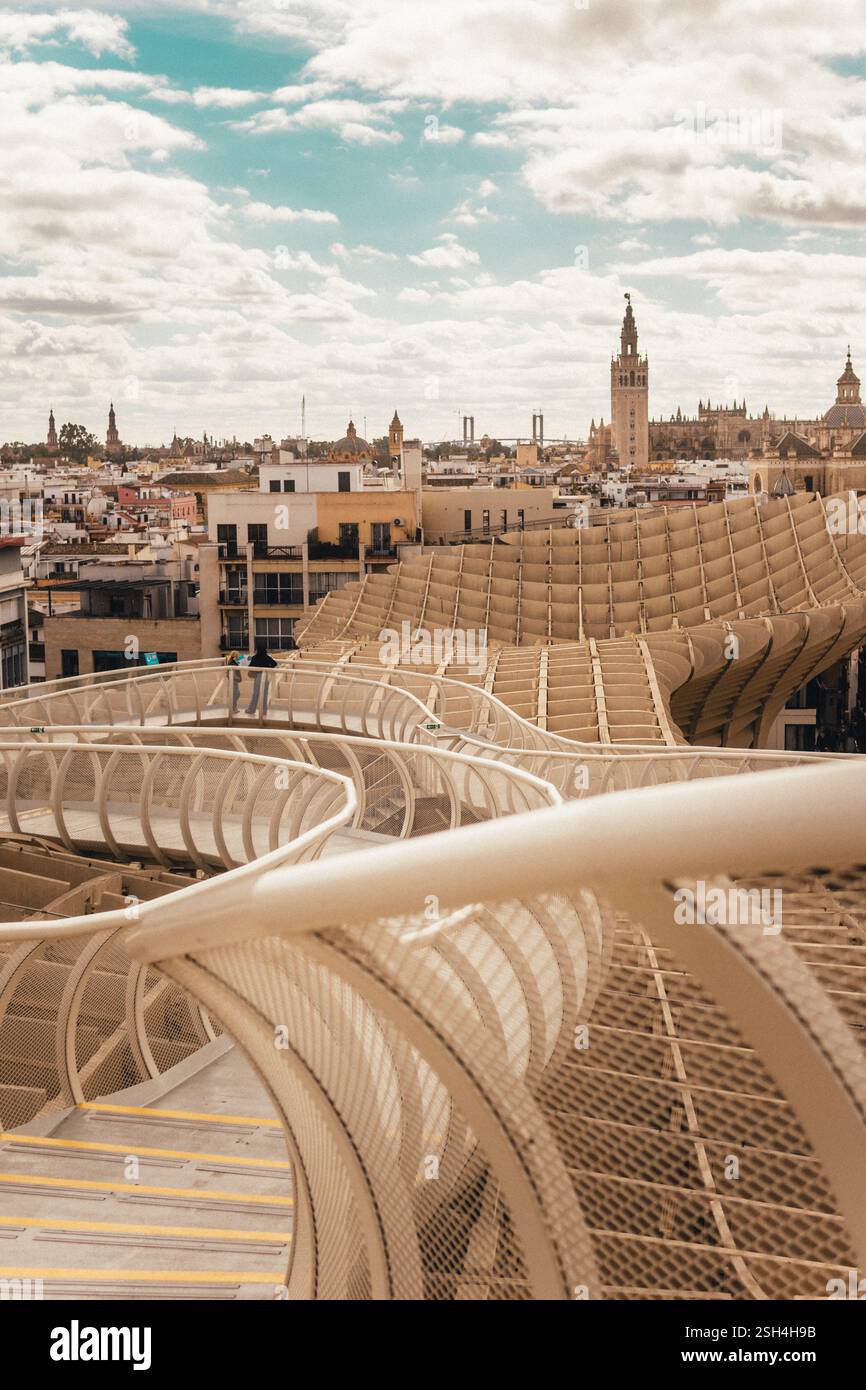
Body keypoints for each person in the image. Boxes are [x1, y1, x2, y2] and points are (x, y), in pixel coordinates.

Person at [245, 640, 278, 715]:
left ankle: (251, 710)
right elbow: (274, 664)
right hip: (265, 676)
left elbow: (250, 667)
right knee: (265, 695)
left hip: (258, 676)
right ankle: (264, 711)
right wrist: (267, 667)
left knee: (255, 694)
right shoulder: (267, 657)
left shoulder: (255, 658)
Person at [225, 650, 242, 715]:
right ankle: (233, 708)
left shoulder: (232, 661)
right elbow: (231, 671)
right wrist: (237, 678)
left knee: (236, 694)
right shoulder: (232, 662)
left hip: (234, 679)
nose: (239, 656)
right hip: (233, 680)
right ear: (235, 655)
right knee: (236, 694)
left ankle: (234, 708)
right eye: (238, 655)